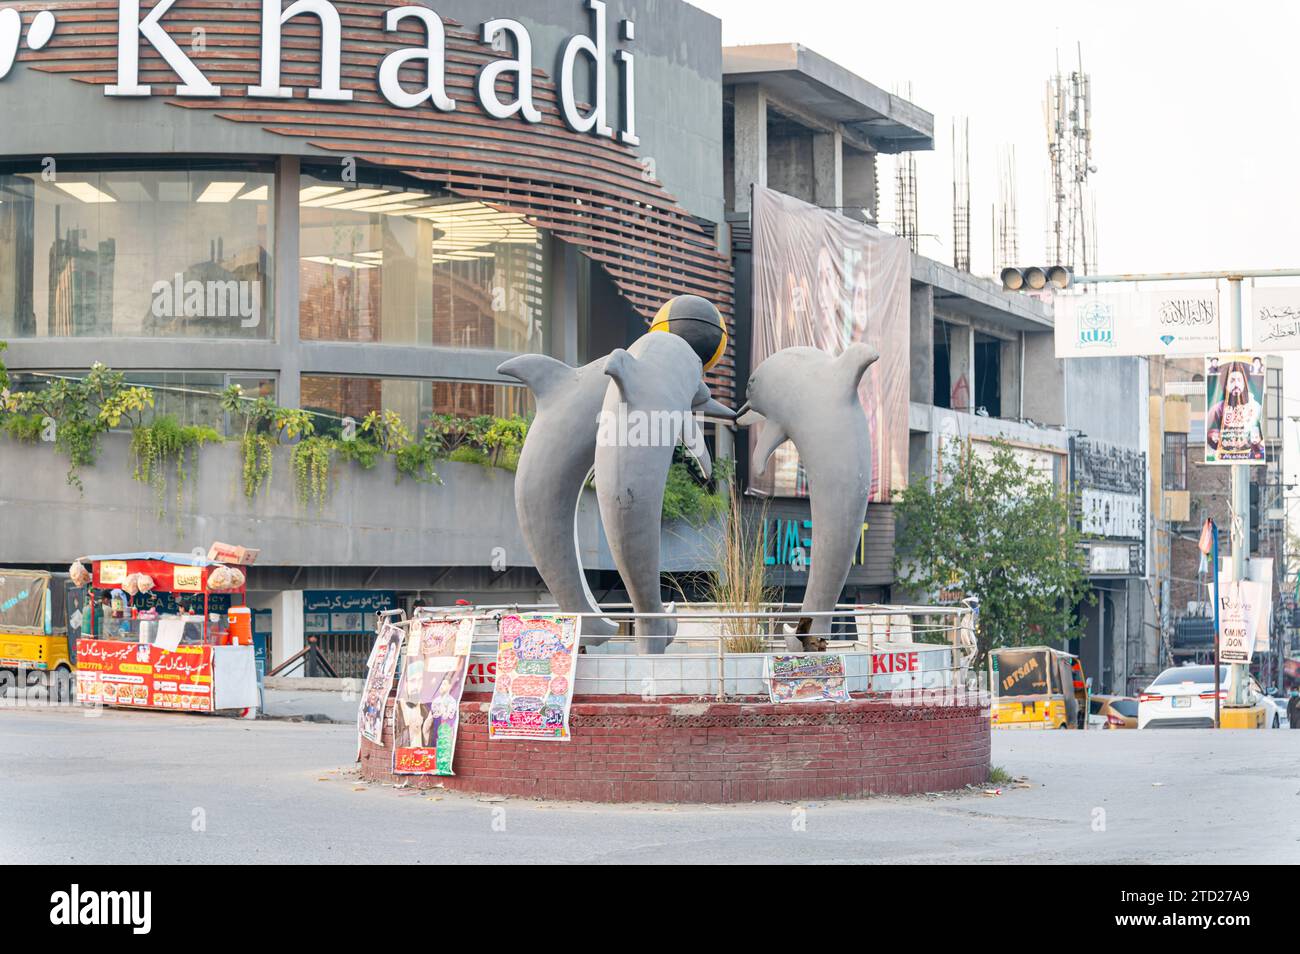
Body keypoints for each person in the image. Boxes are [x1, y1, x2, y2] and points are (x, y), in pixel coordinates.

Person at [1206, 361, 1264, 461]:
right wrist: (1213, 435)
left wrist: (1257, 442)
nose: (1236, 384)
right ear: (1226, 385)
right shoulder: (1217, 409)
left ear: (1244, 384)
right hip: (1223, 454)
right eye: (1232, 380)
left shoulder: (1255, 407)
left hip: (1249, 454)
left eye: (1239, 380)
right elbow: (1210, 431)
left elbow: (1261, 432)